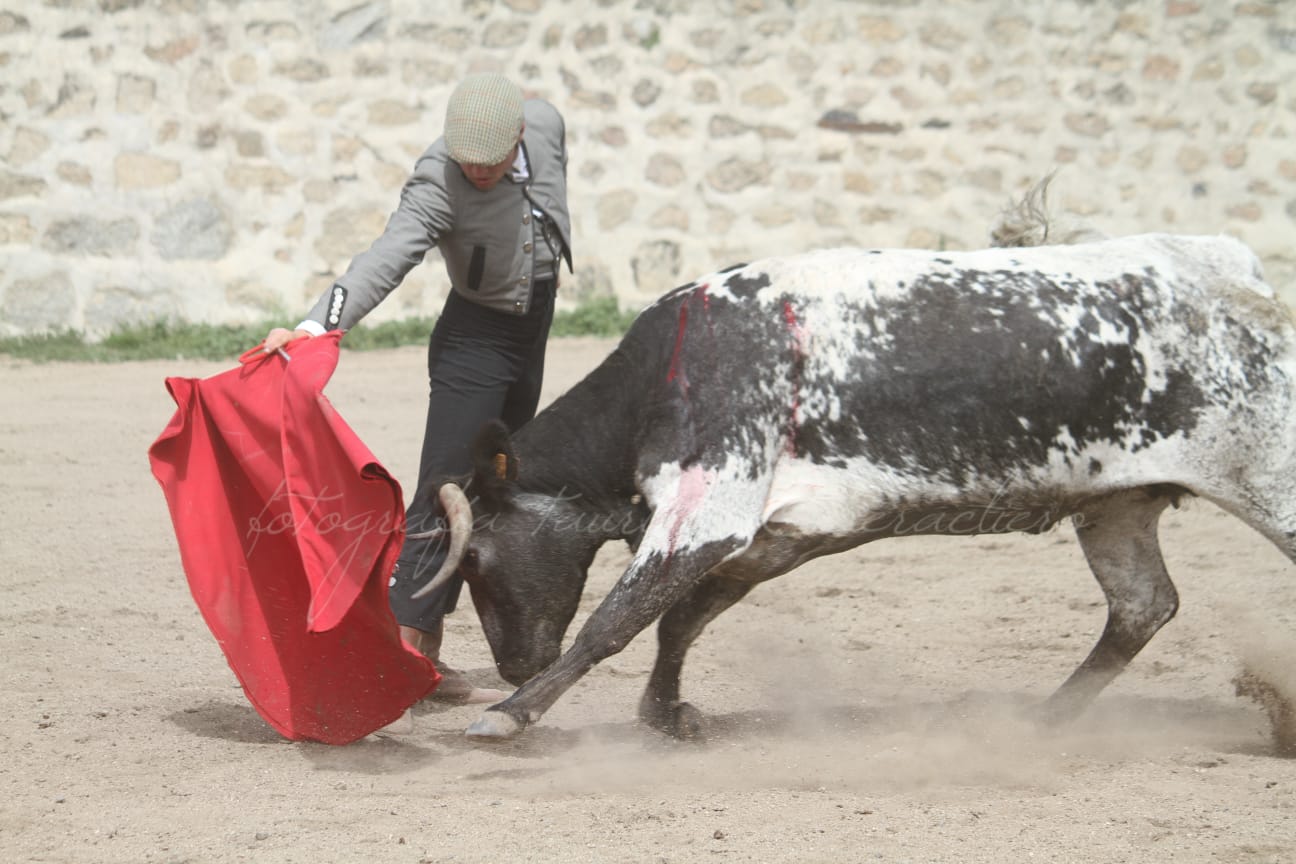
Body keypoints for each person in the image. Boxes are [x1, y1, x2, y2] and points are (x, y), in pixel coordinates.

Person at [262, 73, 572, 711]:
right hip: (475, 343)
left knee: (491, 490)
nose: (479, 174)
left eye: (492, 163)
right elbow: (385, 258)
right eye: (469, 164)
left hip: (533, 332)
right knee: (444, 493)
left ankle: (425, 652)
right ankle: (399, 662)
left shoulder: (543, 123)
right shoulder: (439, 180)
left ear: (520, 135)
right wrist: (316, 325)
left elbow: (538, 133)